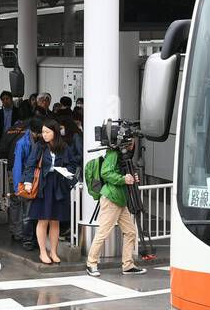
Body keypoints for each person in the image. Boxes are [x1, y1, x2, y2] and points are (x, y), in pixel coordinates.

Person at [20, 117, 79, 265]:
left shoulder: (64, 147)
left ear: (55, 132)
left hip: (58, 184)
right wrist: (27, 182)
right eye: (43, 132)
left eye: (47, 132)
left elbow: (73, 163)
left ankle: (53, 251)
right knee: (43, 219)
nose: (44, 135)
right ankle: (42, 252)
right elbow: (30, 164)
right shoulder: (40, 147)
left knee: (55, 220)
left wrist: (66, 171)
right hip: (43, 185)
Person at [86, 136, 147, 277]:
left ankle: (128, 265)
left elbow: (121, 174)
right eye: (132, 141)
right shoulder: (113, 154)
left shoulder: (122, 156)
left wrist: (131, 177)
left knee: (130, 232)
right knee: (103, 232)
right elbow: (105, 173)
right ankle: (91, 263)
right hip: (111, 198)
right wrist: (123, 179)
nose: (133, 144)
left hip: (120, 199)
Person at [9, 116, 43, 242]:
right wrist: (18, 185)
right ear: (35, 131)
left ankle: (20, 232)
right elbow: (17, 166)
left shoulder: (29, 141)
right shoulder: (22, 143)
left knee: (23, 208)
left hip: (30, 178)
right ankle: (19, 233)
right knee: (21, 206)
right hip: (24, 178)